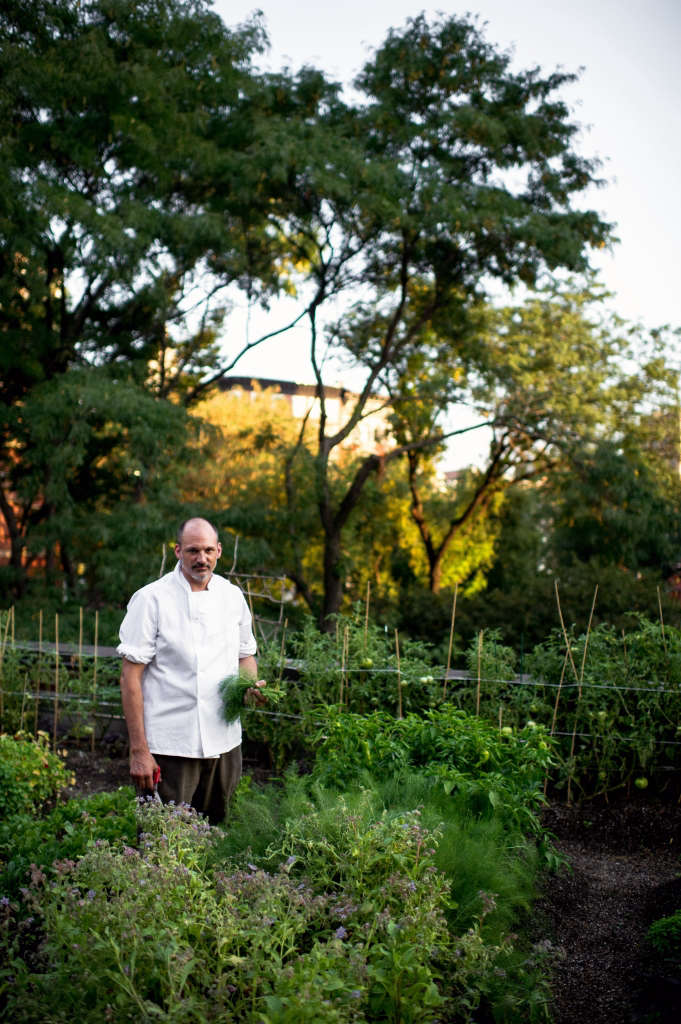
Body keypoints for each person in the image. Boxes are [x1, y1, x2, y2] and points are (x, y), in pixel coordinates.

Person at [117, 516, 265, 824]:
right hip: (170, 745)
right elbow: (130, 676)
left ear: (219, 551)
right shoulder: (151, 599)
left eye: (209, 550)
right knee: (162, 840)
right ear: (178, 551)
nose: (202, 558)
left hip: (223, 742)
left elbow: (245, 656)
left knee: (218, 836)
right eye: (193, 550)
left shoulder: (232, 596)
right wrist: (139, 751)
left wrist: (247, 688)